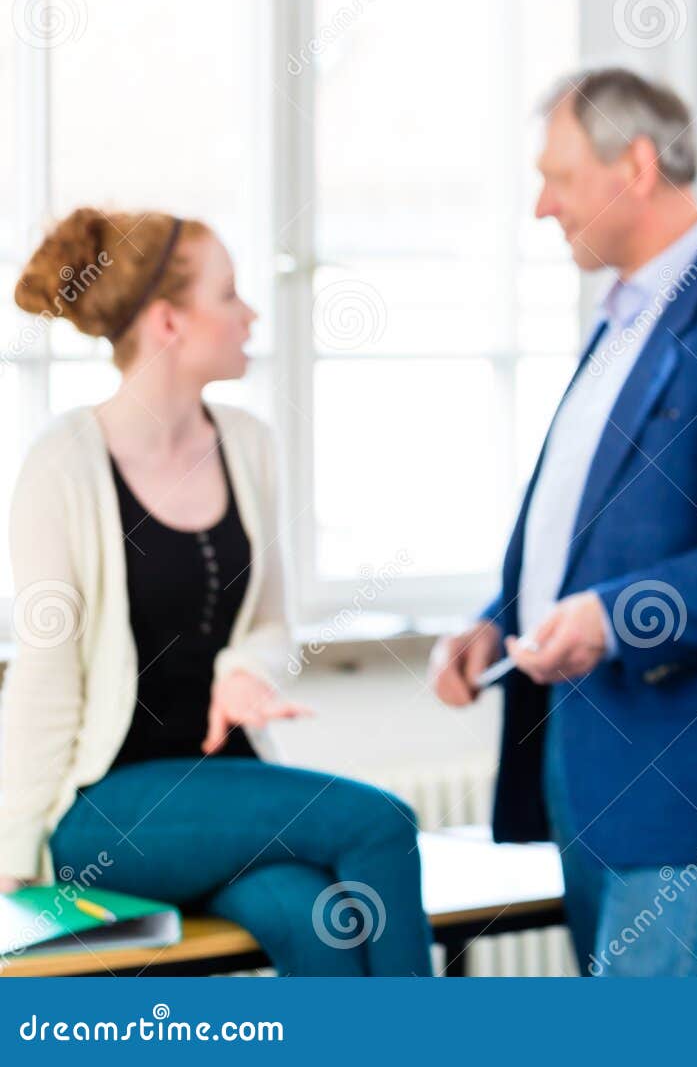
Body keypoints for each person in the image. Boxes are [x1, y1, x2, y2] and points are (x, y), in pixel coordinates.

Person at [428, 69, 697, 977]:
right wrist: (497, 620)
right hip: (584, 761)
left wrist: (615, 615)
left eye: (560, 177)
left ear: (638, 165)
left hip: (687, 773)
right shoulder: (622, 314)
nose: (542, 206)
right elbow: (586, 520)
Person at [0, 208, 432, 976]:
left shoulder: (249, 443)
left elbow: (269, 624)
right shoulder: (61, 463)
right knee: (379, 821)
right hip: (106, 808)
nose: (251, 314)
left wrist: (246, 669)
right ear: (168, 321)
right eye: (229, 295)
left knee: (317, 918)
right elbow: (45, 676)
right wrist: (10, 853)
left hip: (223, 789)